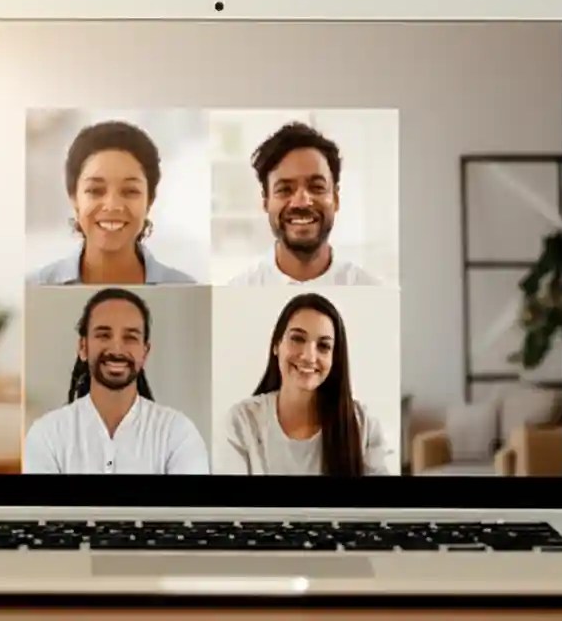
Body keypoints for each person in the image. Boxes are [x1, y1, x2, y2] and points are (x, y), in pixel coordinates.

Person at [24, 288, 209, 474]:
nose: (117, 349)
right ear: (83, 347)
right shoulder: (47, 435)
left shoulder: (177, 434)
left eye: (130, 337)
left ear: (145, 352)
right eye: (104, 335)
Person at [218, 292, 390, 476]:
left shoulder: (364, 425)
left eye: (323, 346)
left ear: (335, 358)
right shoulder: (242, 421)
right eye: (297, 339)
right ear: (276, 345)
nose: (309, 356)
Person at [28, 120, 196, 285]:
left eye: (130, 191)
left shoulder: (186, 291)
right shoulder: (34, 288)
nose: (112, 205)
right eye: (95, 191)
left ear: (149, 200)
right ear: (74, 197)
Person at [227, 121, 380, 286]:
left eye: (316, 187)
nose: (301, 202)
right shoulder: (239, 289)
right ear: (266, 201)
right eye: (285, 189)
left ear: (336, 199)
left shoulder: (371, 288)